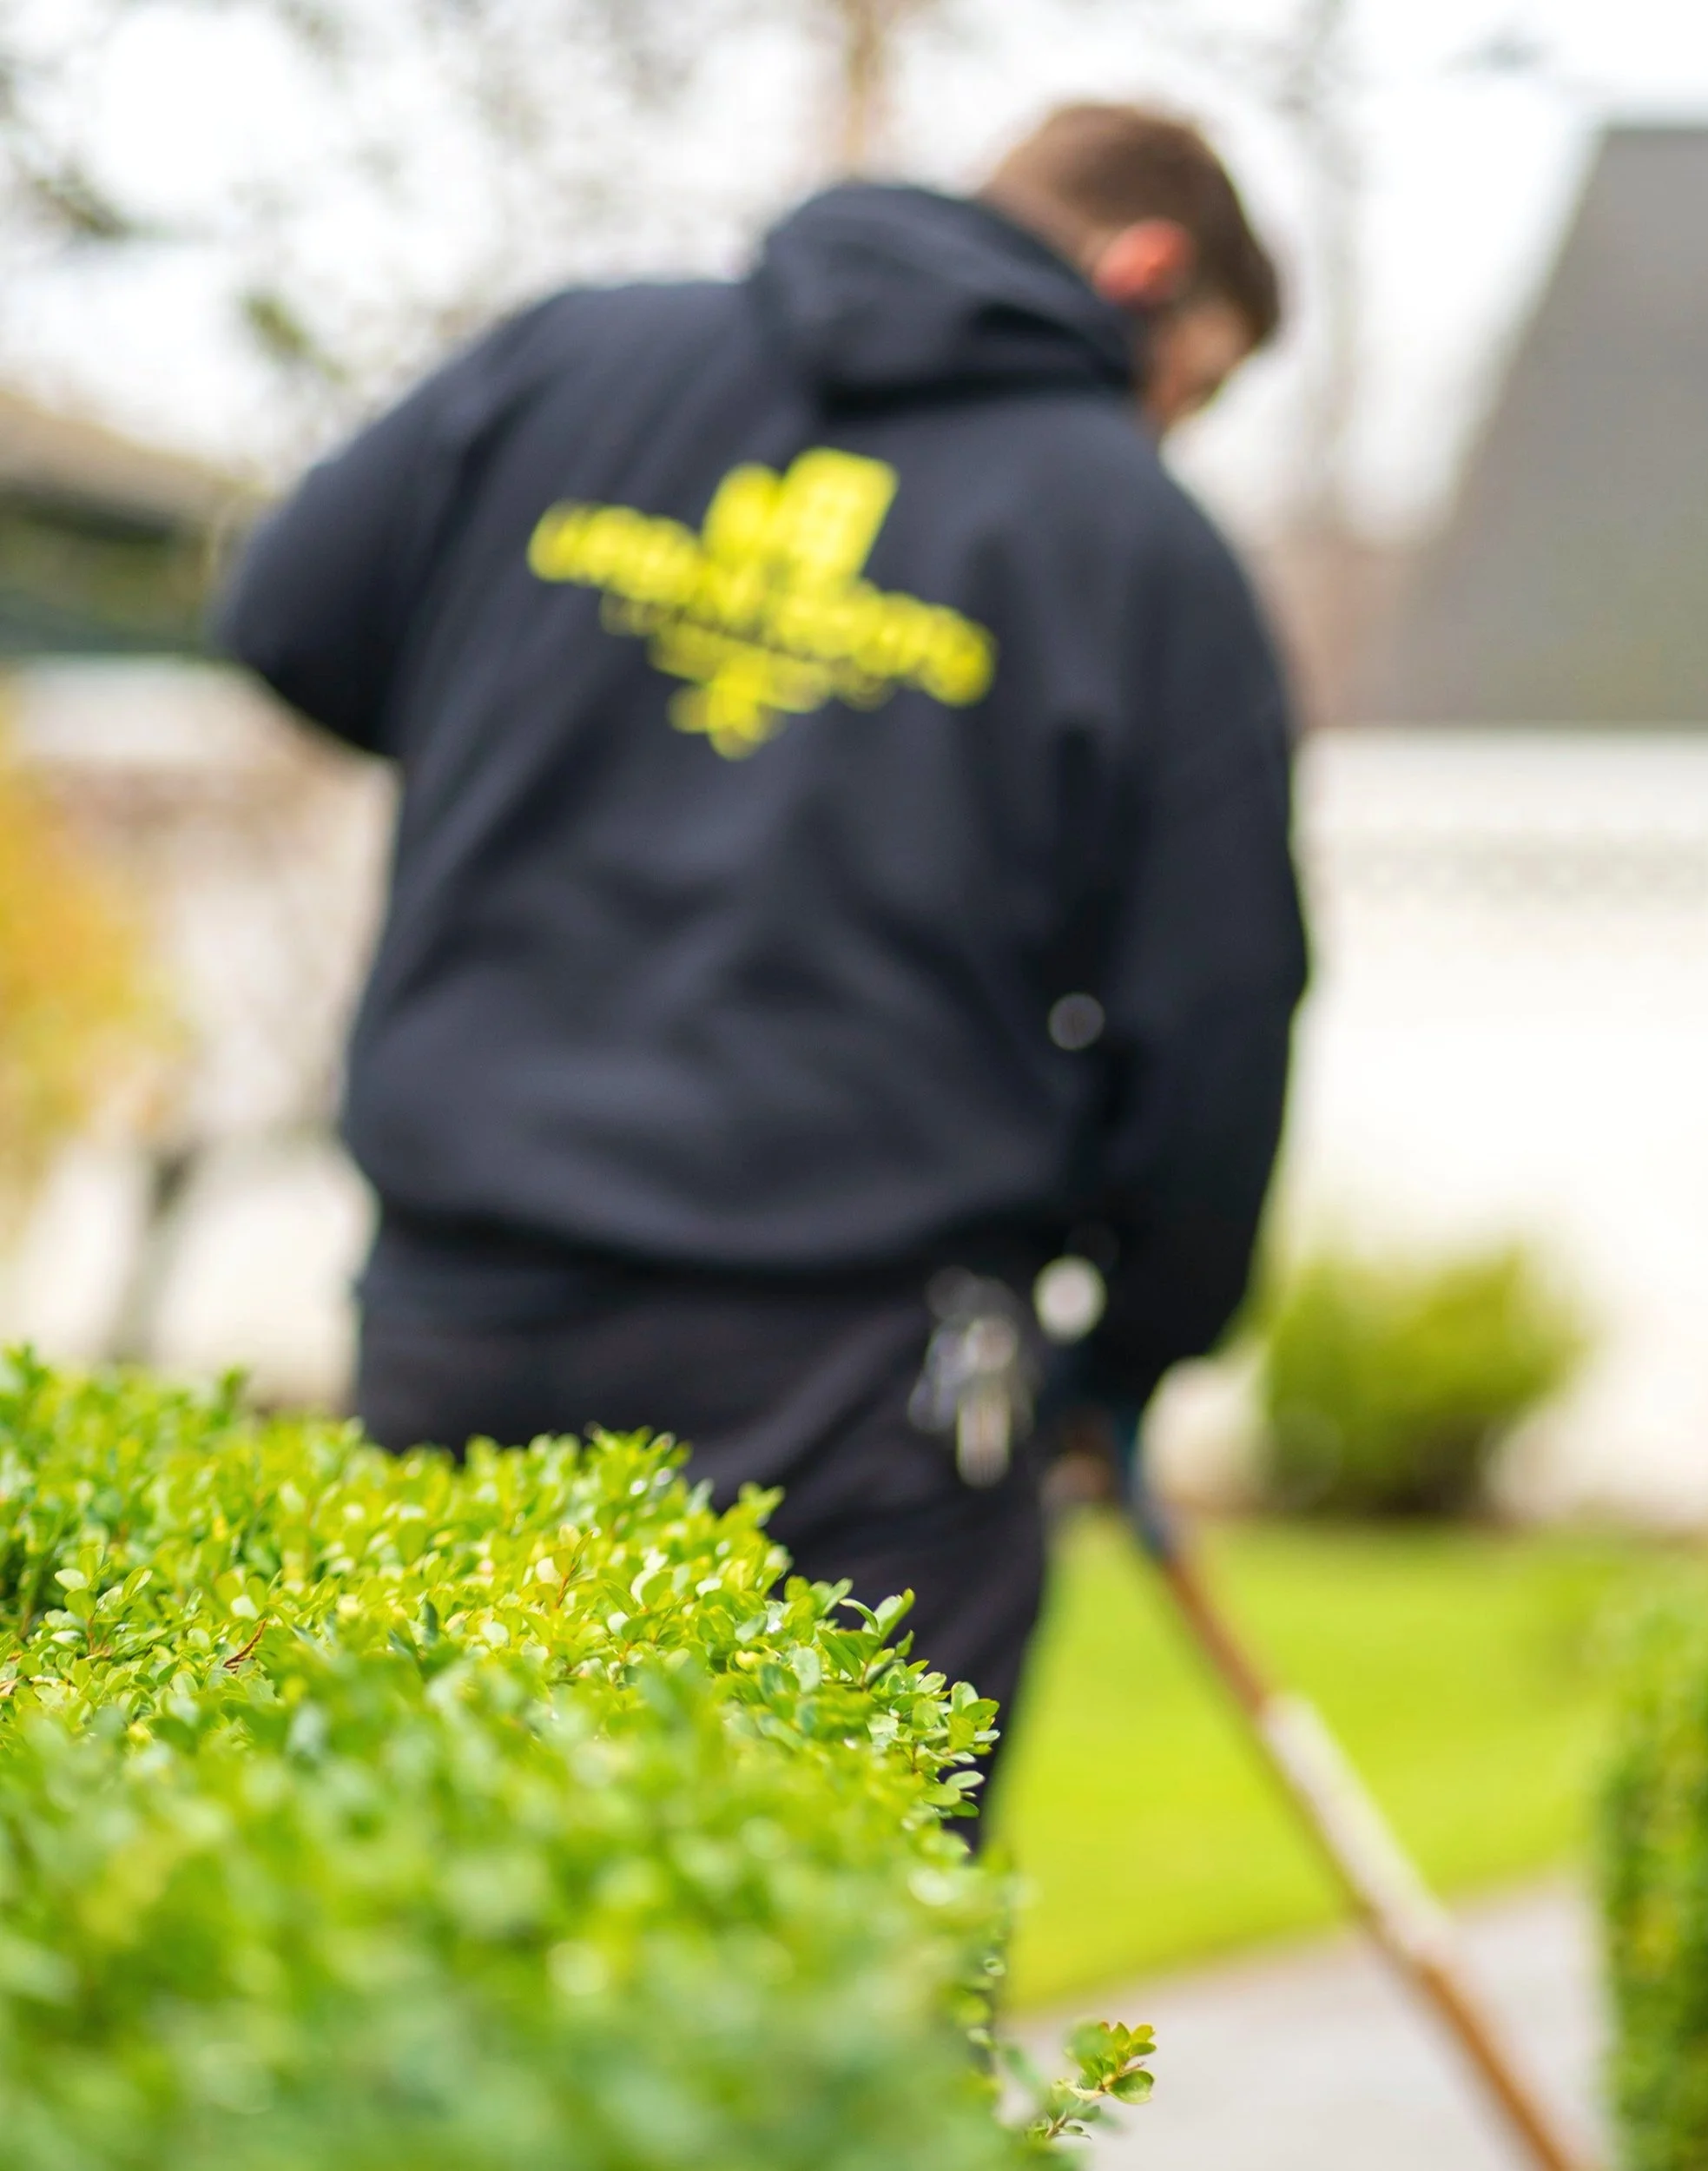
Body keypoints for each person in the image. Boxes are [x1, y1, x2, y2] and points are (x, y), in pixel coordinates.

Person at [216, 102, 1309, 1807]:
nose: (1164, 422)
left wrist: (564, 719)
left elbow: (287, 614)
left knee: (436, 1861)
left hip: (464, 1314)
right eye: (1196, 377)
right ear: (1141, 271)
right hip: (854, 1381)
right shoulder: (1133, 542)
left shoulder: (577, 362)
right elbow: (1219, 1010)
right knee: (824, 1923)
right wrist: (1137, 1341)